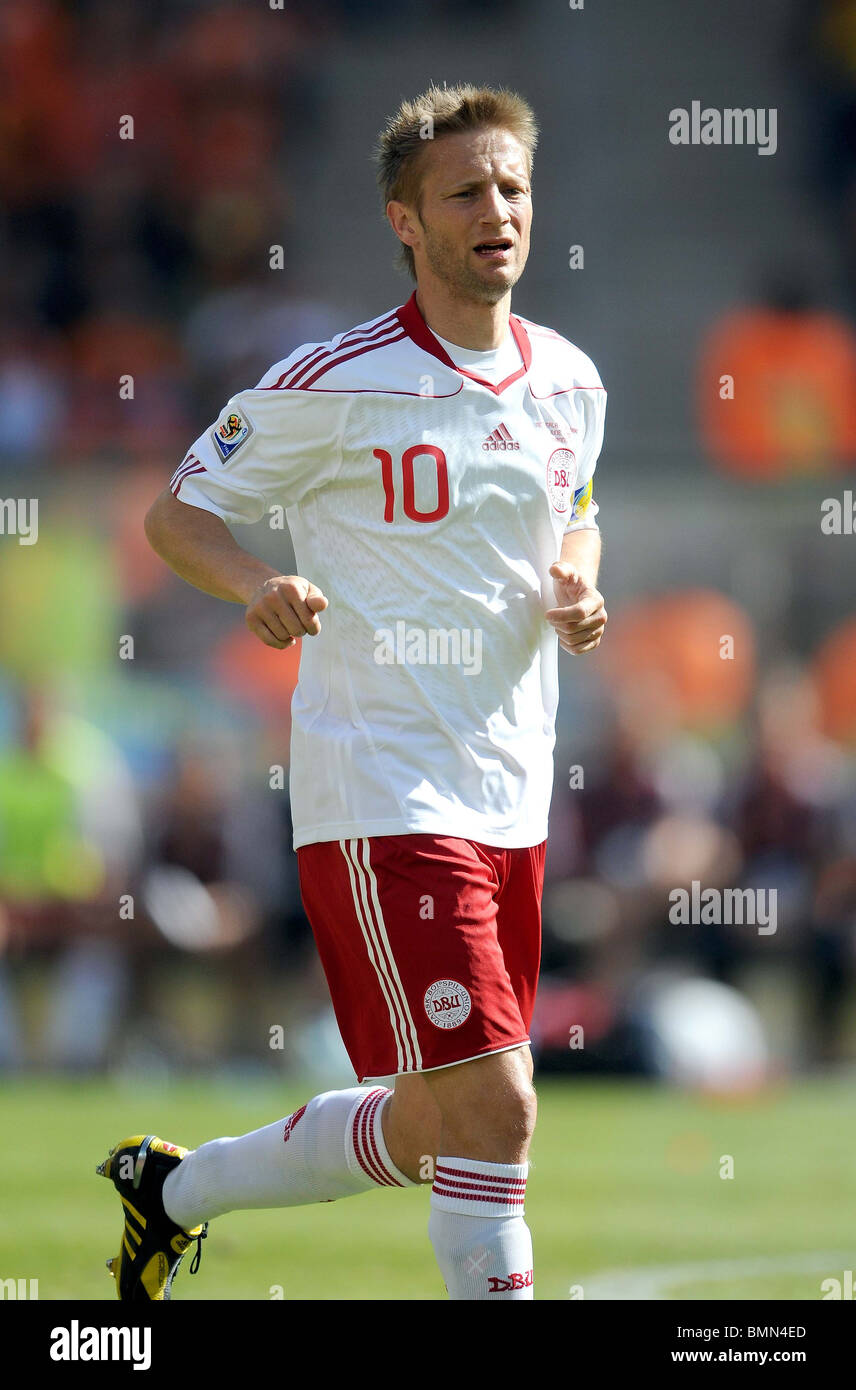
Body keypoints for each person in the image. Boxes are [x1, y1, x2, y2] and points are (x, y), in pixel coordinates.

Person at [98, 82, 608, 1302]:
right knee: (500, 1104)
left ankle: (169, 1192)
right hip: (383, 786)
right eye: (465, 192)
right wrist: (253, 585)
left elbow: (579, 515)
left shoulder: (572, 382)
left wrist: (579, 587)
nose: (497, 210)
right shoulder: (333, 379)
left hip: (510, 791)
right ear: (405, 221)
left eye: (512, 187)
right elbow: (179, 513)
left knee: (438, 1121)